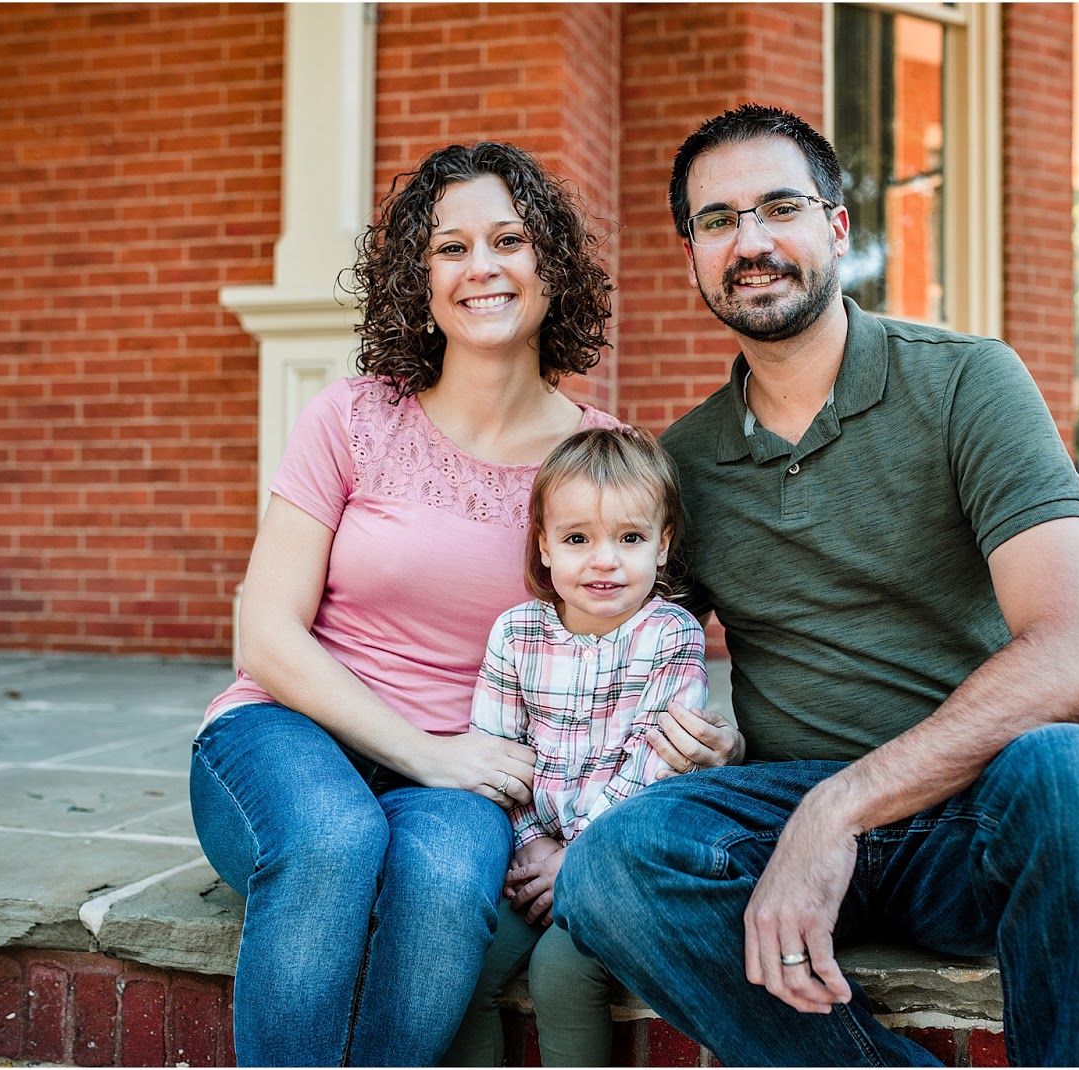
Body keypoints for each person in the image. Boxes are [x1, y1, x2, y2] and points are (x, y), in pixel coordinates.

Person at [555, 104, 1079, 1067]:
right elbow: (608, 653)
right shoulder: (682, 463)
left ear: (838, 228)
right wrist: (672, 751)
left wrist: (838, 809)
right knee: (615, 867)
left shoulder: (969, 382)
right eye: (717, 221)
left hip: (975, 812)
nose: (750, 242)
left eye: (779, 207)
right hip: (782, 812)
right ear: (691, 255)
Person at [187, 142, 739, 1067]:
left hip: (475, 776)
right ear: (419, 277)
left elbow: (653, 649)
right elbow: (266, 633)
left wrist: (705, 742)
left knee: (442, 882)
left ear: (548, 265)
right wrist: (426, 754)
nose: (481, 267)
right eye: (450, 248)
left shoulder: (603, 462)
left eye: (508, 239)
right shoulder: (353, 417)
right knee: (334, 841)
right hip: (287, 734)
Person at [445, 426, 717, 1066]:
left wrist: (578, 853)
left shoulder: (671, 635)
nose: (604, 560)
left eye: (629, 538)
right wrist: (532, 842)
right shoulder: (516, 634)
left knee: (562, 972)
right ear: (543, 546)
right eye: (577, 539)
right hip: (536, 856)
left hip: (619, 858)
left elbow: (654, 764)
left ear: (663, 543)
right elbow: (498, 754)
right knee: (462, 971)